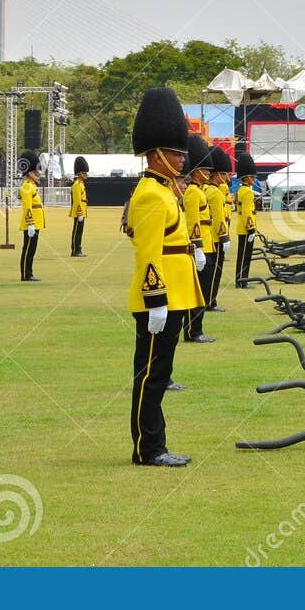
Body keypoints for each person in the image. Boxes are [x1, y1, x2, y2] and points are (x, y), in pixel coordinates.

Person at [122, 86, 200, 466]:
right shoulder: (153, 194)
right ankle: (148, 448)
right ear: (155, 154)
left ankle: (154, 445)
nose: (181, 159)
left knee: (159, 374)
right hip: (161, 297)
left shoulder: (164, 190)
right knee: (151, 378)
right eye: (174, 152)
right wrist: (156, 299)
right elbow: (148, 252)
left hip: (175, 295)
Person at [181, 136, 216, 344]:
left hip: (208, 242)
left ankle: (196, 328)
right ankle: (194, 330)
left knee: (203, 288)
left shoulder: (199, 191)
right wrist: (198, 248)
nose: (208, 173)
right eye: (205, 170)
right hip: (201, 245)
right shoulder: (193, 193)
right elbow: (193, 222)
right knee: (199, 291)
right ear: (195, 171)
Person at [205, 148, 232, 312]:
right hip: (215, 238)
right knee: (215, 273)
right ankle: (211, 301)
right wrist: (224, 237)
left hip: (211, 236)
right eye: (223, 174)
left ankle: (209, 300)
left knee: (212, 273)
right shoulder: (215, 193)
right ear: (216, 175)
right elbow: (218, 217)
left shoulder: (208, 190)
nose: (226, 177)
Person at [17, 151, 45, 282]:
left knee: (32, 250)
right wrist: (30, 224)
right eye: (35, 171)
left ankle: (29, 272)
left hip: (36, 222)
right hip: (31, 223)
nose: (38, 174)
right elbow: (28, 207)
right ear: (29, 173)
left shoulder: (32, 185)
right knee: (28, 249)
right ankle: (26, 274)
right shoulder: (27, 186)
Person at [233, 151, 258, 288]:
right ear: (246, 178)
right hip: (246, 228)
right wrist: (251, 229)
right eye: (252, 177)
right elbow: (248, 212)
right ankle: (242, 281)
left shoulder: (240, 190)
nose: (254, 179)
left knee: (242, 256)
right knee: (245, 257)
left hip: (242, 227)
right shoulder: (247, 192)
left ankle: (241, 280)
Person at [69, 156, 89, 257]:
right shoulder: (77, 184)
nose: (86, 175)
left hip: (82, 211)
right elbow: (77, 201)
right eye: (85, 173)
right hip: (78, 212)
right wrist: (80, 213)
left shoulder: (81, 184)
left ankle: (78, 248)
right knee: (77, 231)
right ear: (80, 173)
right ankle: (75, 250)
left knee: (79, 231)